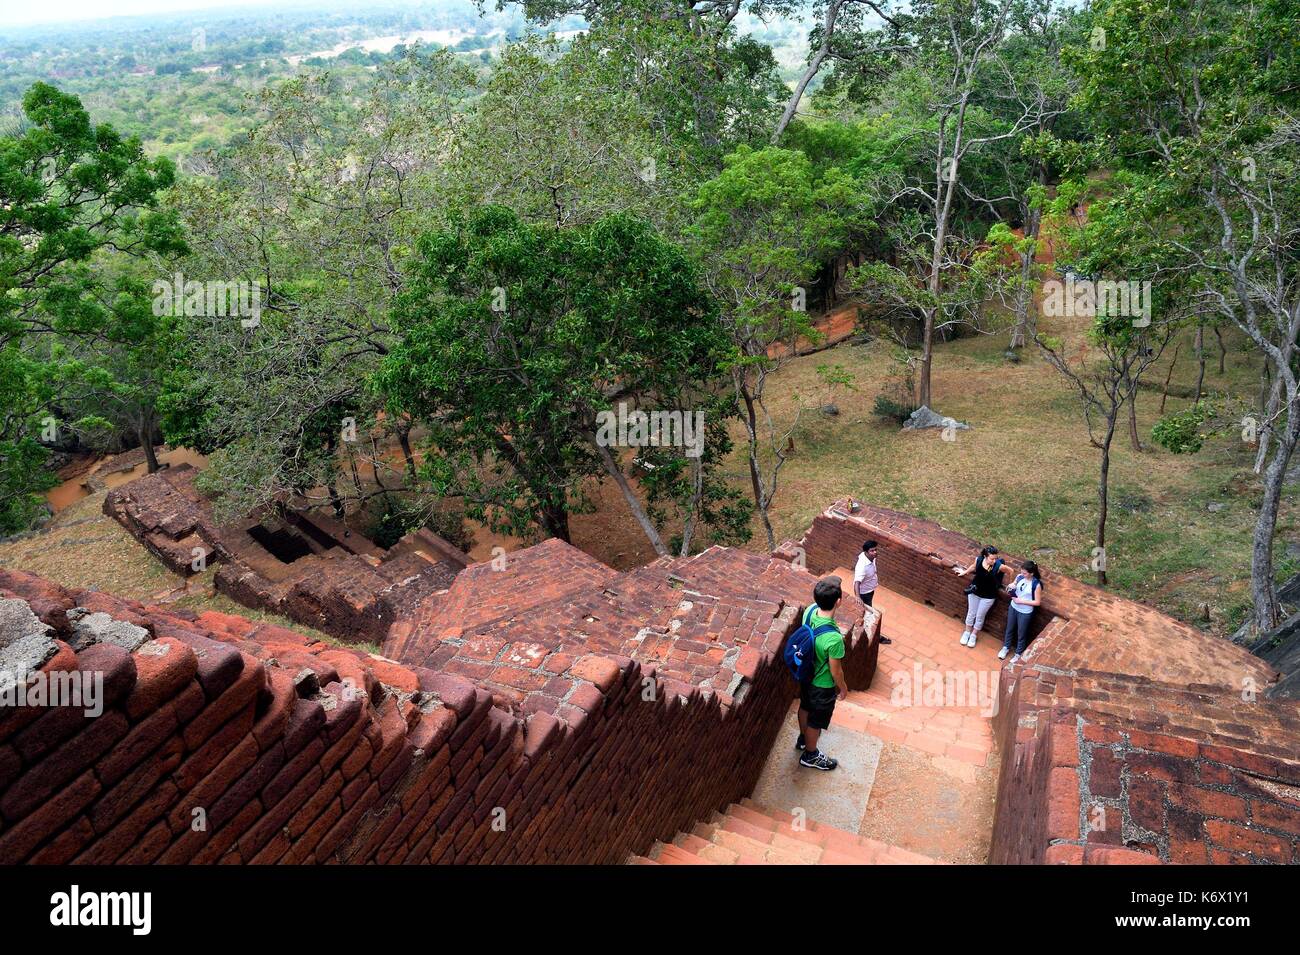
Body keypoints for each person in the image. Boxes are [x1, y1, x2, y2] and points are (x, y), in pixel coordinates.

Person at [795, 576, 848, 771]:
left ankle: (803, 738)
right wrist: (843, 688)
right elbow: (836, 671)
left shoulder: (810, 611)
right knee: (816, 721)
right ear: (838, 602)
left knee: (805, 706)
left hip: (805, 674)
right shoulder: (834, 639)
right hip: (822, 685)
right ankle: (810, 754)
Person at [953, 546, 1010, 647]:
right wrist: (964, 572)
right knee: (971, 613)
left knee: (980, 616)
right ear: (985, 556)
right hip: (975, 592)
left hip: (988, 596)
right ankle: (967, 632)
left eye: (996, 558)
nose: (994, 560)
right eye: (992, 558)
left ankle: (974, 635)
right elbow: (973, 567)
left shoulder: (999, 565)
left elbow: (1010, 571)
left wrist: (1011, 584)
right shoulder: (979, 560)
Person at [1000, 560, 1043, 663]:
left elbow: (1037, 602)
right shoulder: (1020, 577)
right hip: (1013, 606)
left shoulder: (1036, 585)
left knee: (1021, 633)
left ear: (1031, 573)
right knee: (1009, 628)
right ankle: (1006, 647)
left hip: (1025, 612)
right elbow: (1015, 583)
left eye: (1025, 573)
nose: (1022, 574)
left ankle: (1018, 653)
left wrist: (1021, 601)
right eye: (1022, 572)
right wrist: (1012, 585)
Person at [852, 540, 891, 644]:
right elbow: (856, 582)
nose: (875, 552)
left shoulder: (871, 557)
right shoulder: (862, 566)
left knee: (867, 612)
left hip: (870, 590)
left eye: (875, 550)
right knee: (868, 614)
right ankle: (874, 636)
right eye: (872, 551)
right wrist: (858, 597)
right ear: (866, 552)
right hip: (864, 594)